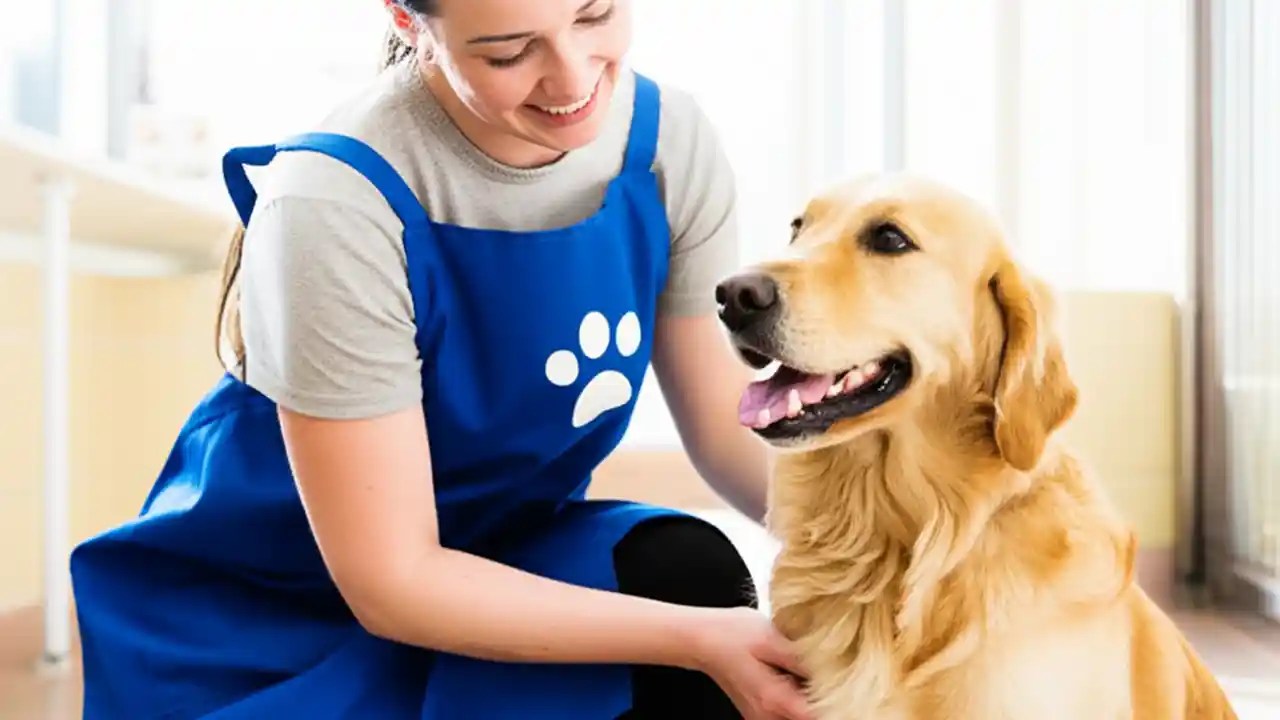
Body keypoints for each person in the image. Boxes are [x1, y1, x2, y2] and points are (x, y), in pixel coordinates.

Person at [69, 1, 814, 718]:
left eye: (594, 14)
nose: (573, 77)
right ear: (407, 19)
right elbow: (393, 583)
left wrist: (901, 542)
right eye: (510, 50)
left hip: (501, 558)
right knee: (696, 636)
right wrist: (695, 642)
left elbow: (727, 427)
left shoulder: (665, 145)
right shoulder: (332, 203)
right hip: (272, 619)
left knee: (684, 570)